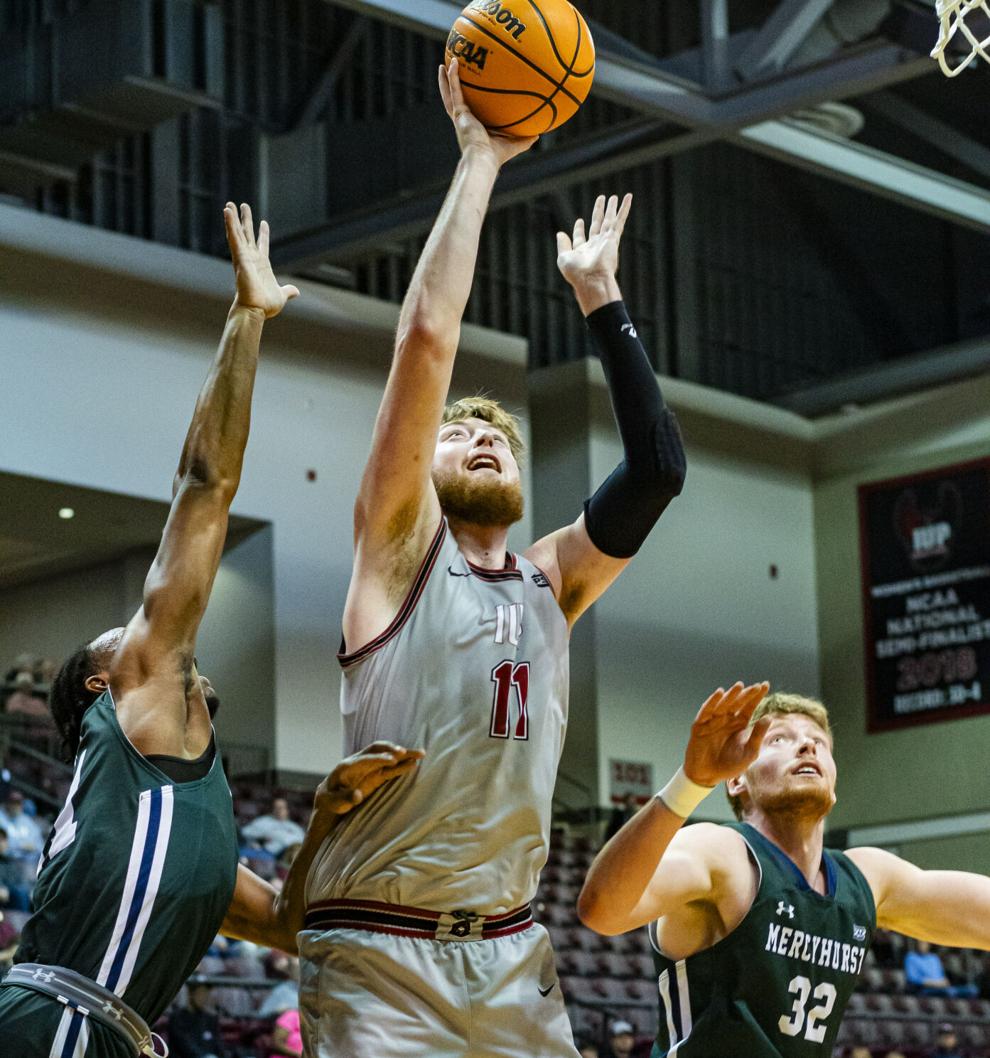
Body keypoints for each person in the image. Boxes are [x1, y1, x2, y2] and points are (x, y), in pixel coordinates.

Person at [299, 59, 686, 1058]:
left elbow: (657, 469)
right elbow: (427, 339)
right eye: (457, 435)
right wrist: (480, 158)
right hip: (381, 948)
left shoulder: (554, 580)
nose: (481, 437)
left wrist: (603, 300)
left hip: (515, 952)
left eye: (500, 437)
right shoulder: (396, 553)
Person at [0, 203, 425, 1058]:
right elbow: (205, 483)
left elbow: (285, 922)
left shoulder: (182, 802)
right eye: (122, 630)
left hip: (101, 1033)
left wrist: (331, 820)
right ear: (101, 683)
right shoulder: (137, 702)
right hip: (58, 1021)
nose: (148, 625)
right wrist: (246, 317)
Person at [578, 686, 990, 1057]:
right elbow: (603, 910)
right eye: (780, 739)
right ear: (736, 779)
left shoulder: (866, 877)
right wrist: (690, 783)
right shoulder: (722, 852)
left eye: (818, 742)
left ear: (833, 777)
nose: (806, 747)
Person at [166, 981, 226, 1058]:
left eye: (206, 994)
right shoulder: (178, 1018)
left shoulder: (210, 1019)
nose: (204, 998)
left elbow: (218, 1045)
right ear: (191, 994)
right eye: (201, 993)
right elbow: (185, 1046)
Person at [905, 940, 977, 997]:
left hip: (941, 987)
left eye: (925, 943)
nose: (922, 945)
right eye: (920, 943)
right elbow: (913, 979)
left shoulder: (934, 958)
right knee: (950, 992)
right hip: (924, 989)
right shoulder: (911, 957)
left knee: (973, 989)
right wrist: (934, 983)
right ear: (916, 944)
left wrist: (944, 981)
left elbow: (941, 976)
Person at [241, 797, 306, 857]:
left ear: (287, 810)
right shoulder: (263, 821)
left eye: (282, 808)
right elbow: (245, 832)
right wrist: (262, 836)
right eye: (276, 807)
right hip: (264, 853)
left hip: (286, 856)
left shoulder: (295, 827)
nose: (279, 810)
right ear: (272, 809)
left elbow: (302, 843)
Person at [0, 789, 44, 862]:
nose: (15, 806)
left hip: (27, 864)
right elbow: (2, 848)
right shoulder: (1, 818)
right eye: (12, 802)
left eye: (18, 803)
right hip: (5, 862)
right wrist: (21, 846)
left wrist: (33, 848)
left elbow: (40, 847)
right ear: (7, 802)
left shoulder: (28, 822)